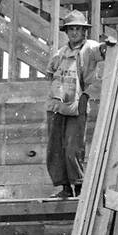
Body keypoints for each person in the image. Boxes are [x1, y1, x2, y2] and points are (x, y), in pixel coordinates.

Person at [45, 10, 102, 198]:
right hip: (58, 103)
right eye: (71, 29)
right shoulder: (61, 53)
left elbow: (101, 50)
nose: (74, 33)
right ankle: (65, 187)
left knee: (73, 146)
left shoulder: (89, 48)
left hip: (79, 102)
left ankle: (78, 185)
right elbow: (50, 73)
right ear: (66, 32)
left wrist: (108, 45)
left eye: (78, 29)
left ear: (84, 31)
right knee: (56, 146)